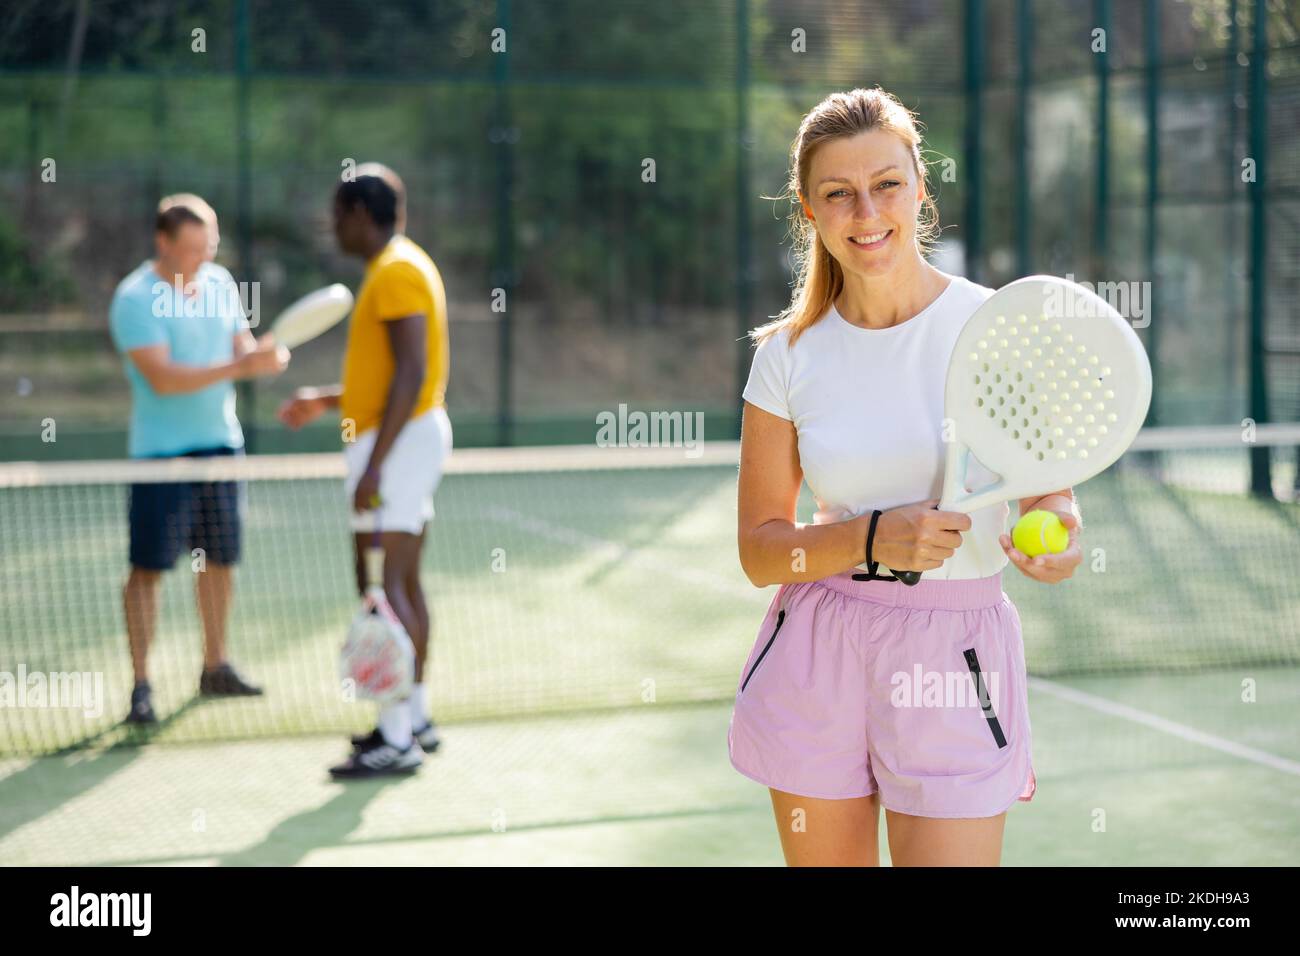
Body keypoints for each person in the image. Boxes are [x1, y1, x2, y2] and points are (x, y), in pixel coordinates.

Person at [729, 88, 1083, 866]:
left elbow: (1049, 500)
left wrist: (1058, 537)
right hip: (817, 653)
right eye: (838, 193)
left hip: (958, 653)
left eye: (886, 183)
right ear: (808, 210)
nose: (866, 211)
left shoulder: (997, 329)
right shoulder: (786, 357)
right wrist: (873, 538)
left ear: (921, 187)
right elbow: (761, 553)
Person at [278, 164, 452, 779]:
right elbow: (387, 378)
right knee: (400, 583)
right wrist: (326, 400)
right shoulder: (397, 267)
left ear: (359, 214)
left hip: (397, 447)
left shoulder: (398, 270)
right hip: (400, 440)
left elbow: (411, 372)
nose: (333, 225)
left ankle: (397, 738)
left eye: (337, 213)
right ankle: (413, 719)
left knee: (385, 587)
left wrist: (374, 466)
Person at [109, 193, 289, 724]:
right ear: (163, 243)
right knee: (148, 569)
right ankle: (142, 685)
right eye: (191, 248)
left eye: (209, 246)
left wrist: (262, 359)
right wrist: (238, 368)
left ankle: (216, 666)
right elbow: (163, 380)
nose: (203, 258)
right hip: (160, 456)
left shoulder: (220, 283)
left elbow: (241, 348)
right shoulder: (134, 299)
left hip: (221, 448)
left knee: (219, 563)